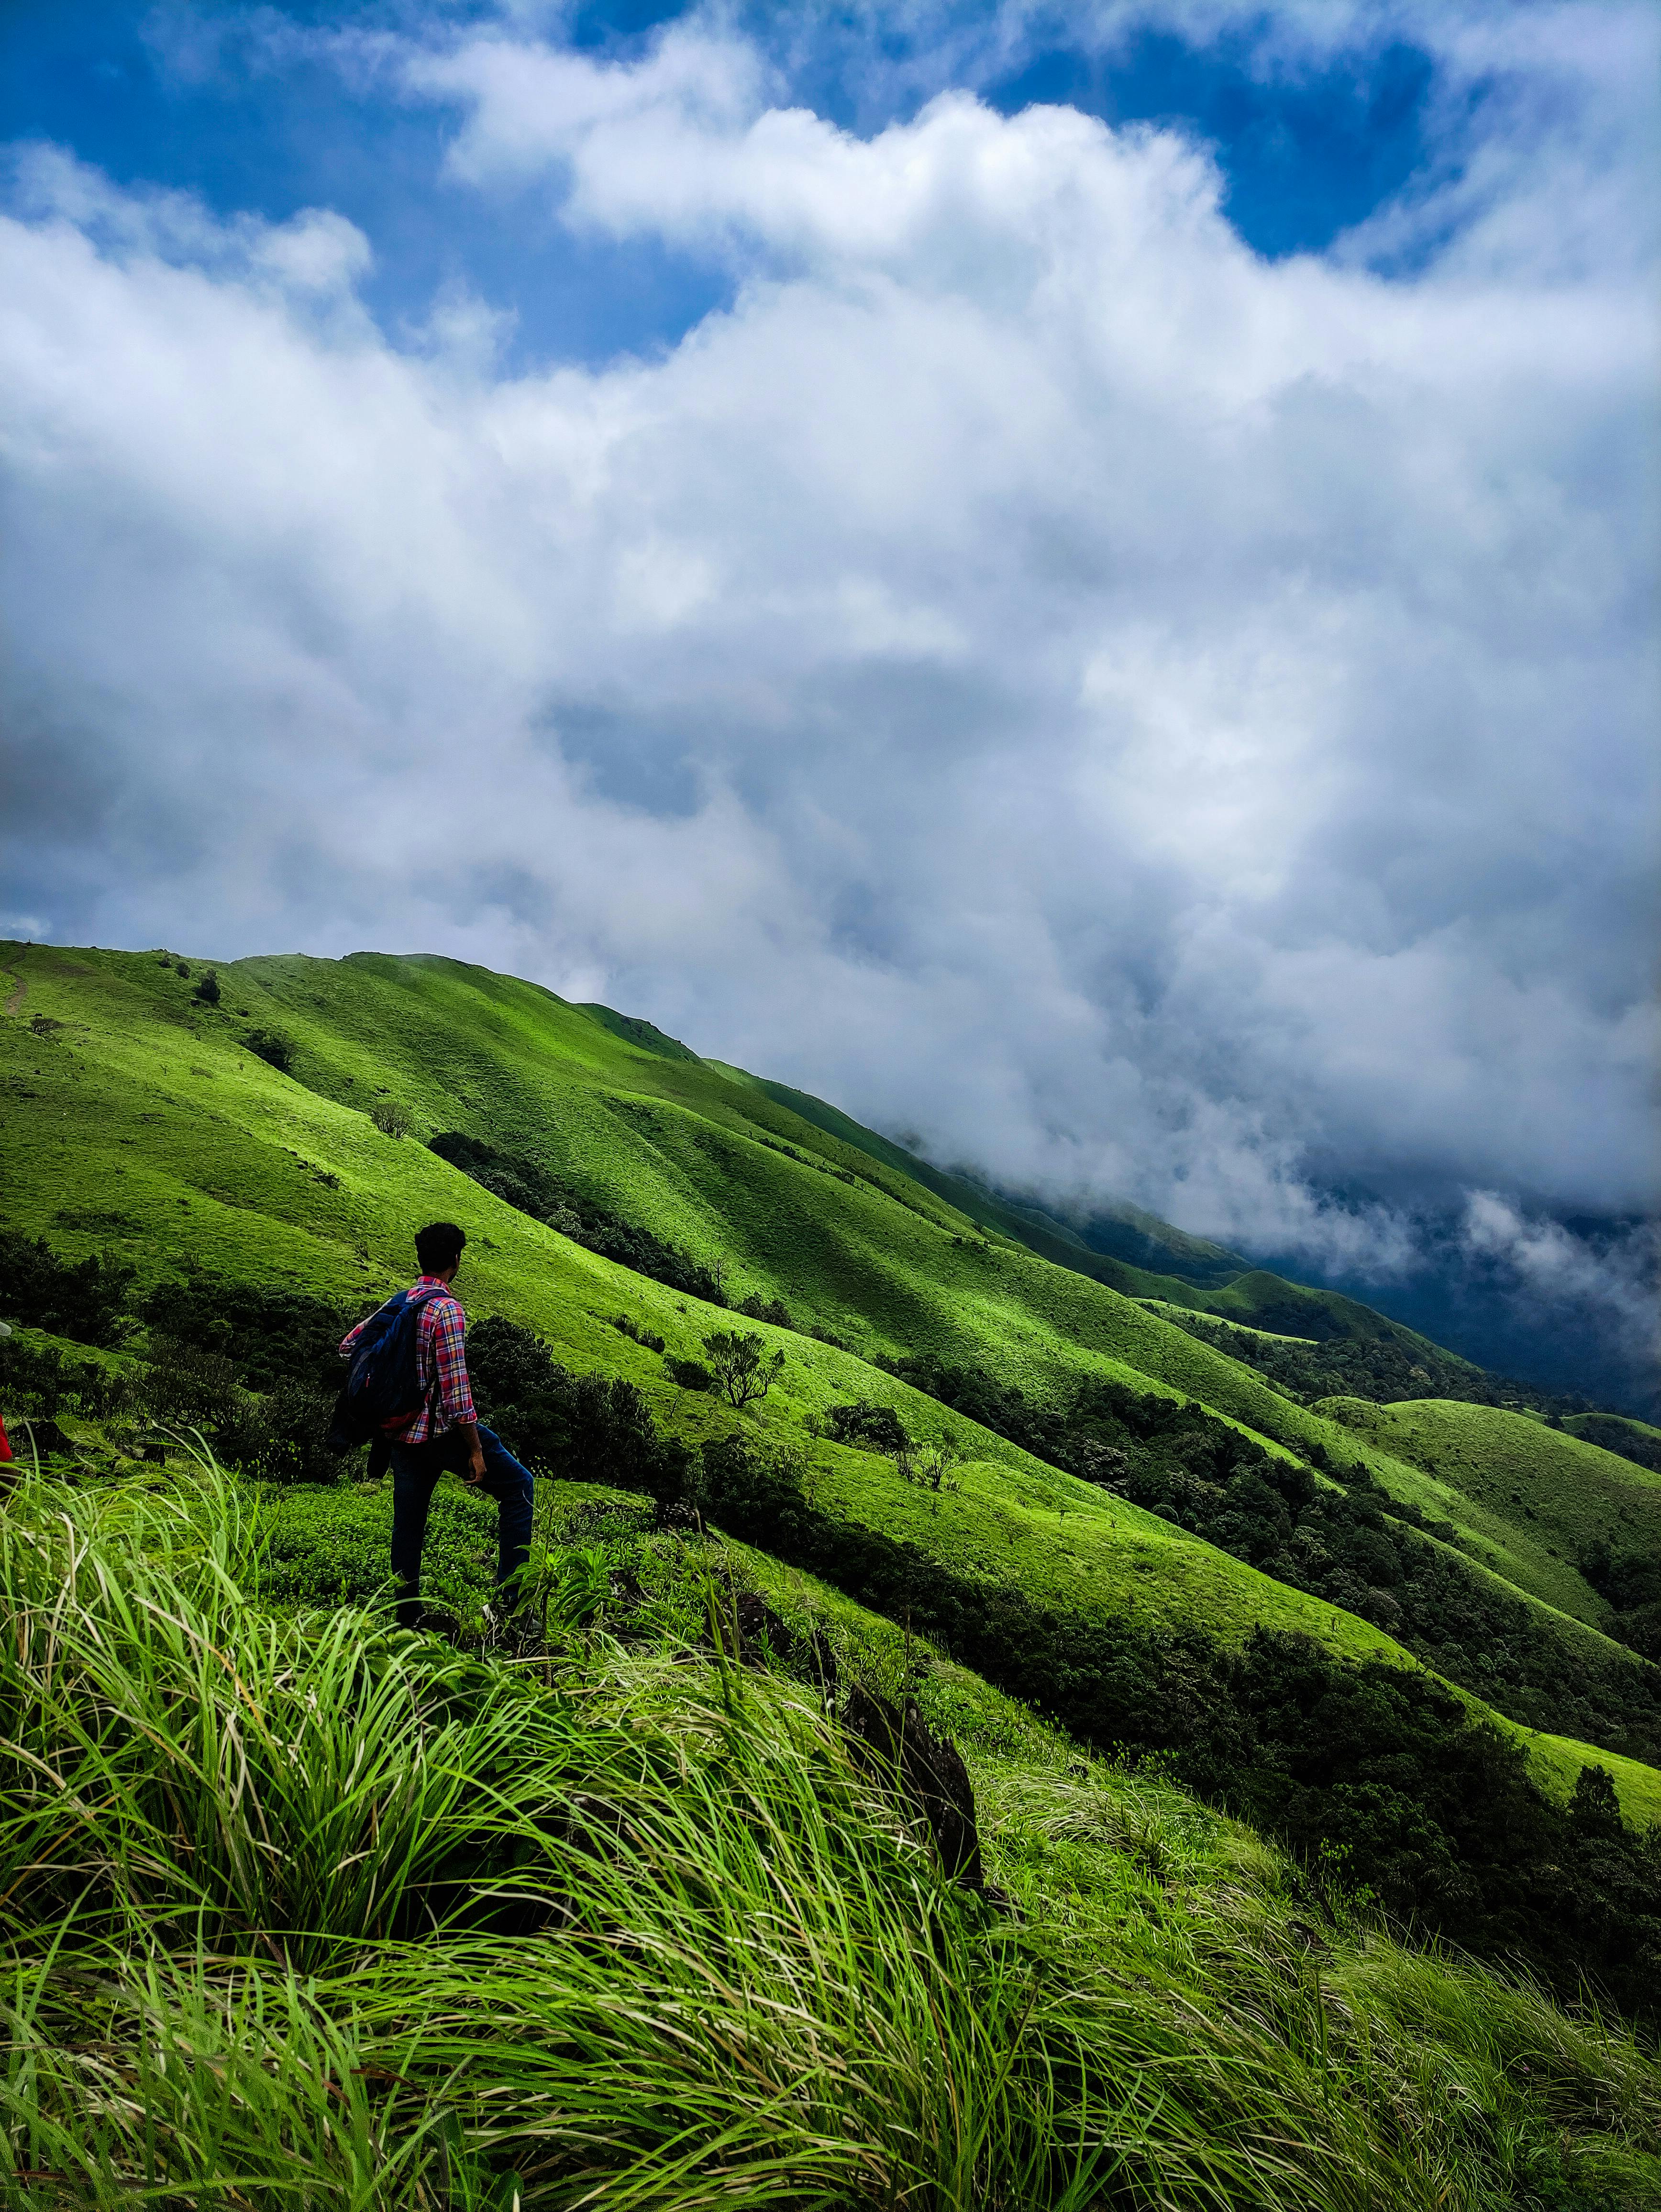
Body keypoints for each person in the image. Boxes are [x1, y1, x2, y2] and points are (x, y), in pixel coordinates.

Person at [340, 1221, 534, 1632]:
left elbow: (348, 1345)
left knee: (408, 1526)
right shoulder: (447, 1310)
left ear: (422, 1258)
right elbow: (457, 1394)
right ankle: (510, 1606)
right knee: (519, 1488)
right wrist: (476, 1450)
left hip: (401, 1437)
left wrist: (398, 1380)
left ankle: (406, 1620)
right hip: (442, 1435)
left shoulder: (402, 1301)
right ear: (456, 1260)